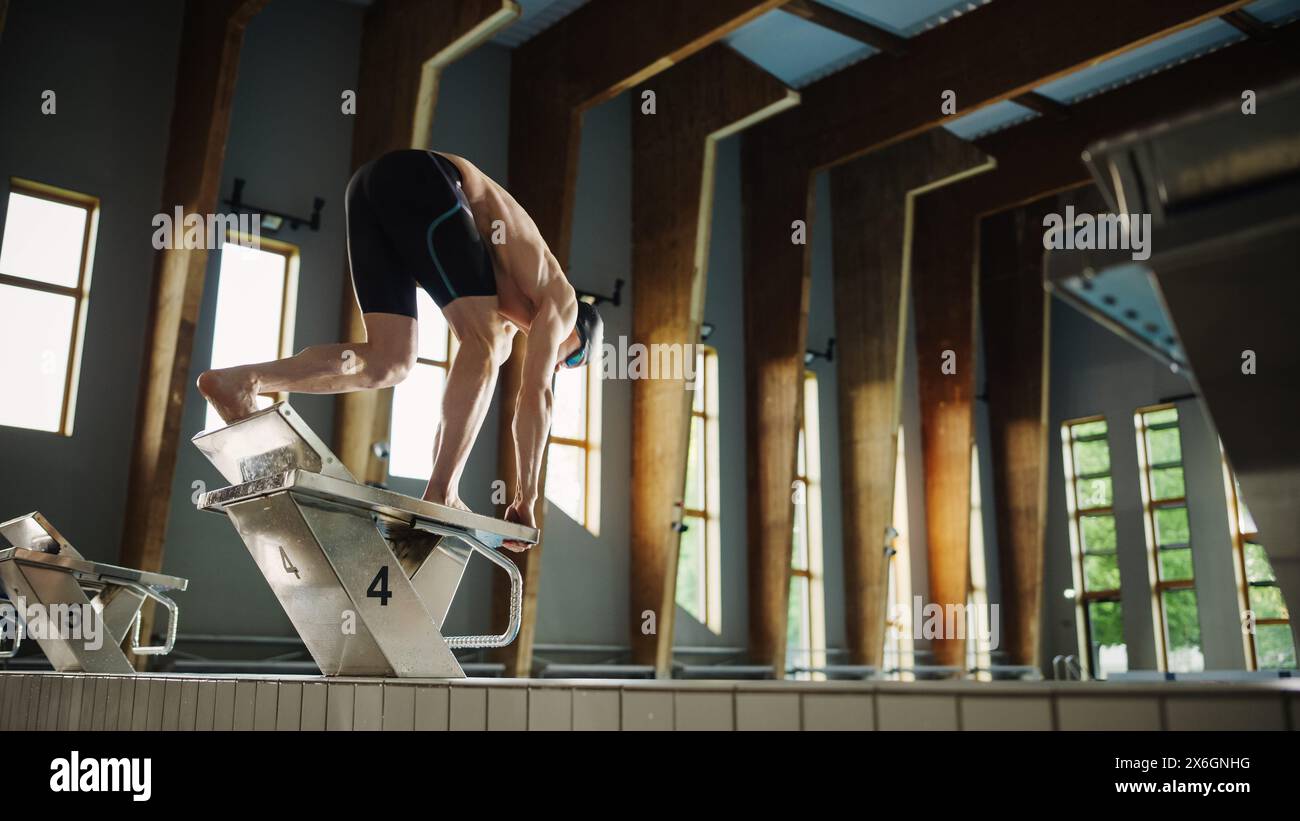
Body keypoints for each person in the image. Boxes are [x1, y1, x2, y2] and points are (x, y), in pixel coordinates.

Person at [197, 149, 602, 551]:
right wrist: (526, 498)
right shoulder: (561, 300)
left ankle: (245, 381)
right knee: (488, 343)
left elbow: (466, 397)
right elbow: (536, 395)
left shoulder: (505, 304)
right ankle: (441, 491)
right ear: (580, 332)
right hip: (426, 177)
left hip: (370, 190)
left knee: (389, 363)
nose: (561, 366)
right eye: (573, 359)